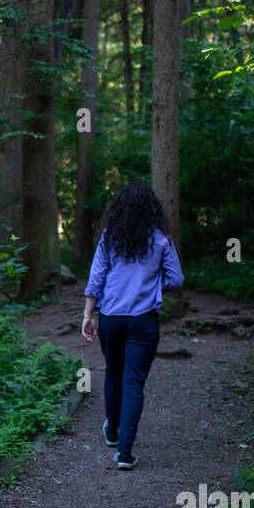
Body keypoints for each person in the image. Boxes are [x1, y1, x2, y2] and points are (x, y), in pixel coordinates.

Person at [80, 181, 184, 470]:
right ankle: (125, 452)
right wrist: (153, 289)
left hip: (111, 318)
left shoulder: (109, 237)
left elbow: (96, 278)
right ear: (152, 209)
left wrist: (88, 315)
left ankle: (112, 431)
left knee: (113, 372)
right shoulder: (162, 239)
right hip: (144, 320)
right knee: (134, 382)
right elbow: (176, 279)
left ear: (120, 208)